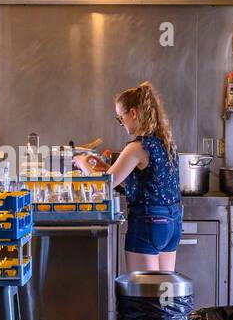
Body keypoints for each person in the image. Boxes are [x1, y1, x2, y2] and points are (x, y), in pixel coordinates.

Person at [75, 81, 181, 271]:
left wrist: (83, 165)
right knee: (164, 293)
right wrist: (106, 168)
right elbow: (146, 184)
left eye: (120, 118)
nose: (121, 123)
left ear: (133, 113)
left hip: (148, 222)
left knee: (143, 294)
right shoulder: (164, 143)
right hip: (171, 222)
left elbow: (104, 186)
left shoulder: (137, 147)